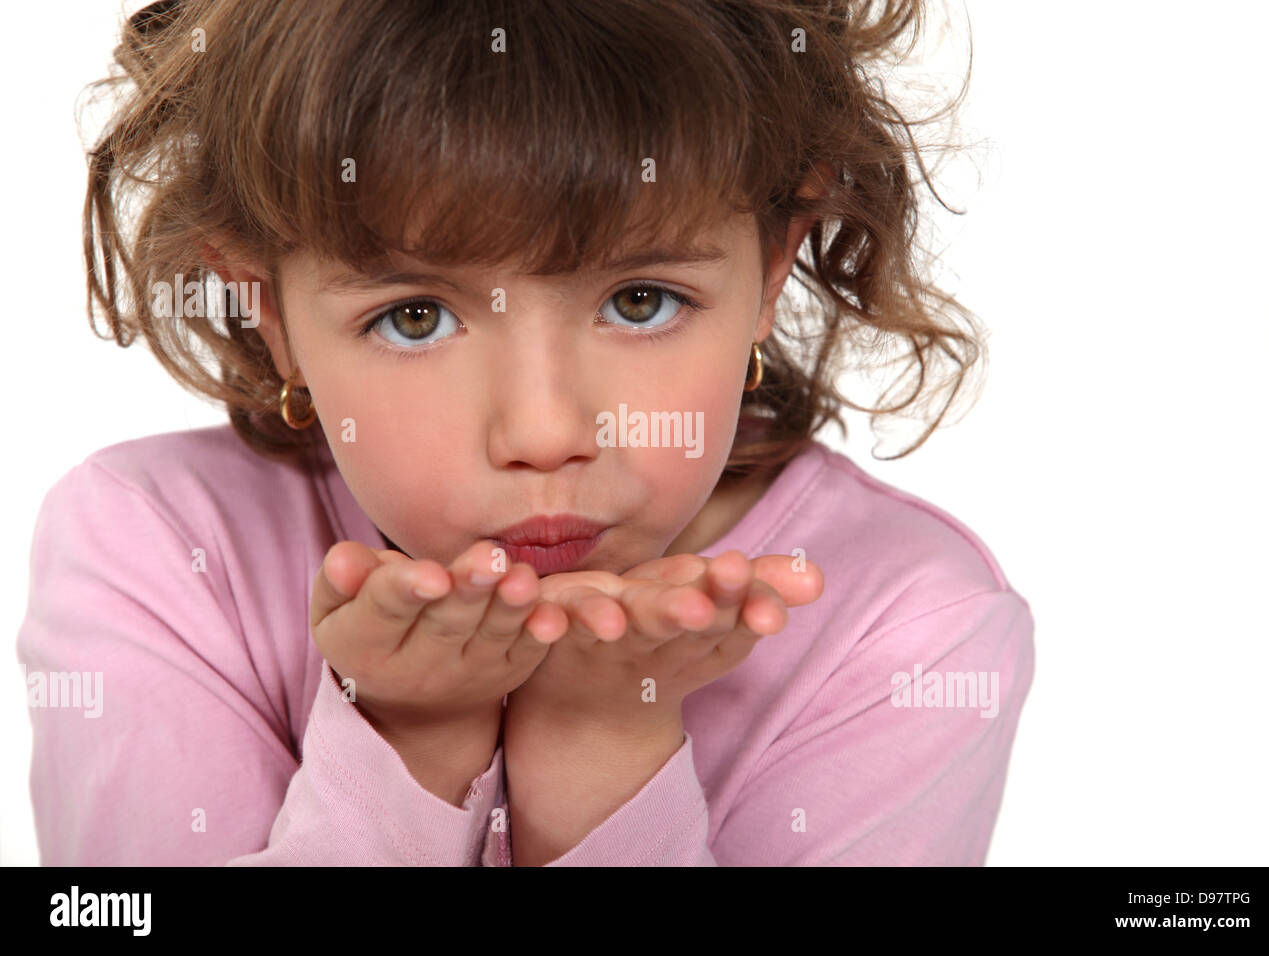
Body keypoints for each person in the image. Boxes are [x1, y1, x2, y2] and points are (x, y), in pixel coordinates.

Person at [18, 0, 1034, 866]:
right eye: (415, 316)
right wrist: (407, 734)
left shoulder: (906, 627)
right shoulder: (156, 548)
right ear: (270, 311)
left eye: (641, 299)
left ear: (772, 269)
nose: (546, 433)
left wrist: (600, 744)